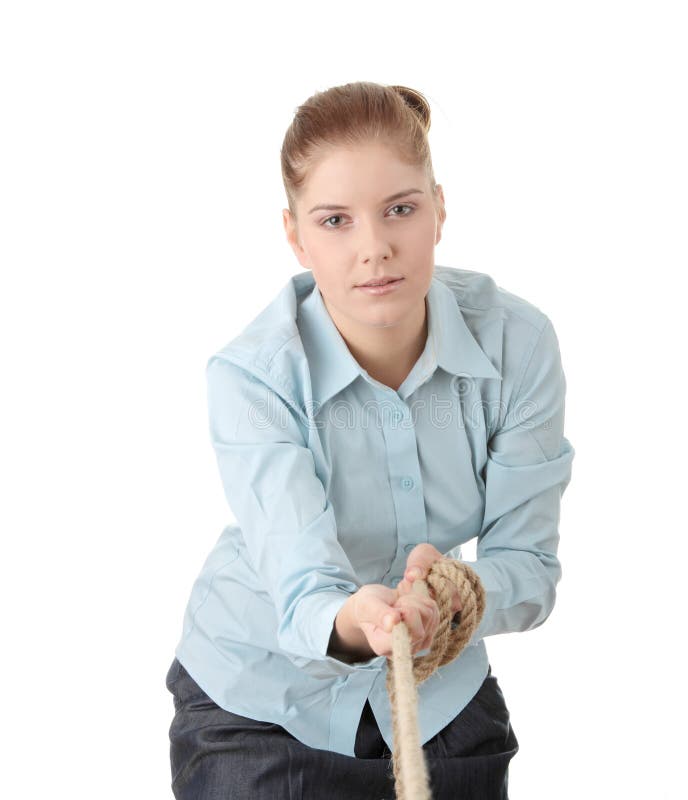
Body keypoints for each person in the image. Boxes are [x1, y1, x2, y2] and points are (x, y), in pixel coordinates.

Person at [165, 81, 576, 799]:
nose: (375, 249)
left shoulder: (519, 343)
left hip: (436, 691)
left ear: (439, 209)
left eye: (401, 210)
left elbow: (529, 567)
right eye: (335, 221)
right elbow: (303, 590)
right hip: (263, 699)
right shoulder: (251, 377)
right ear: (295, 236)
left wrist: (455, 596)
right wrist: (365, 621)